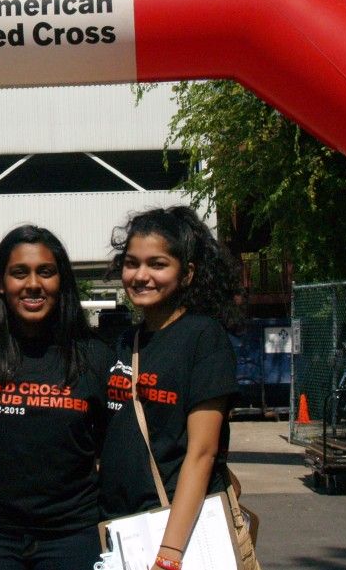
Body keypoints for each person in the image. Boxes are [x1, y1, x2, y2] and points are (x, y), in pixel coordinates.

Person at [0, 225, 112, 570]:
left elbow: (121, 444)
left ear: (62, 280)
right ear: (0, 282)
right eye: (19, 273)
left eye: (46, 272)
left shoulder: (95, 357)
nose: (32, 284)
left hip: (72, 536)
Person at [99, 207, 241, 570]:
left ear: (187, 273)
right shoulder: (124, 342)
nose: (141, 275)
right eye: (132, 263)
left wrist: (170, 554)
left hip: (175, 529)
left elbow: (203, 453)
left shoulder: (203, 337)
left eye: (157, 264)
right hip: (121, 527)